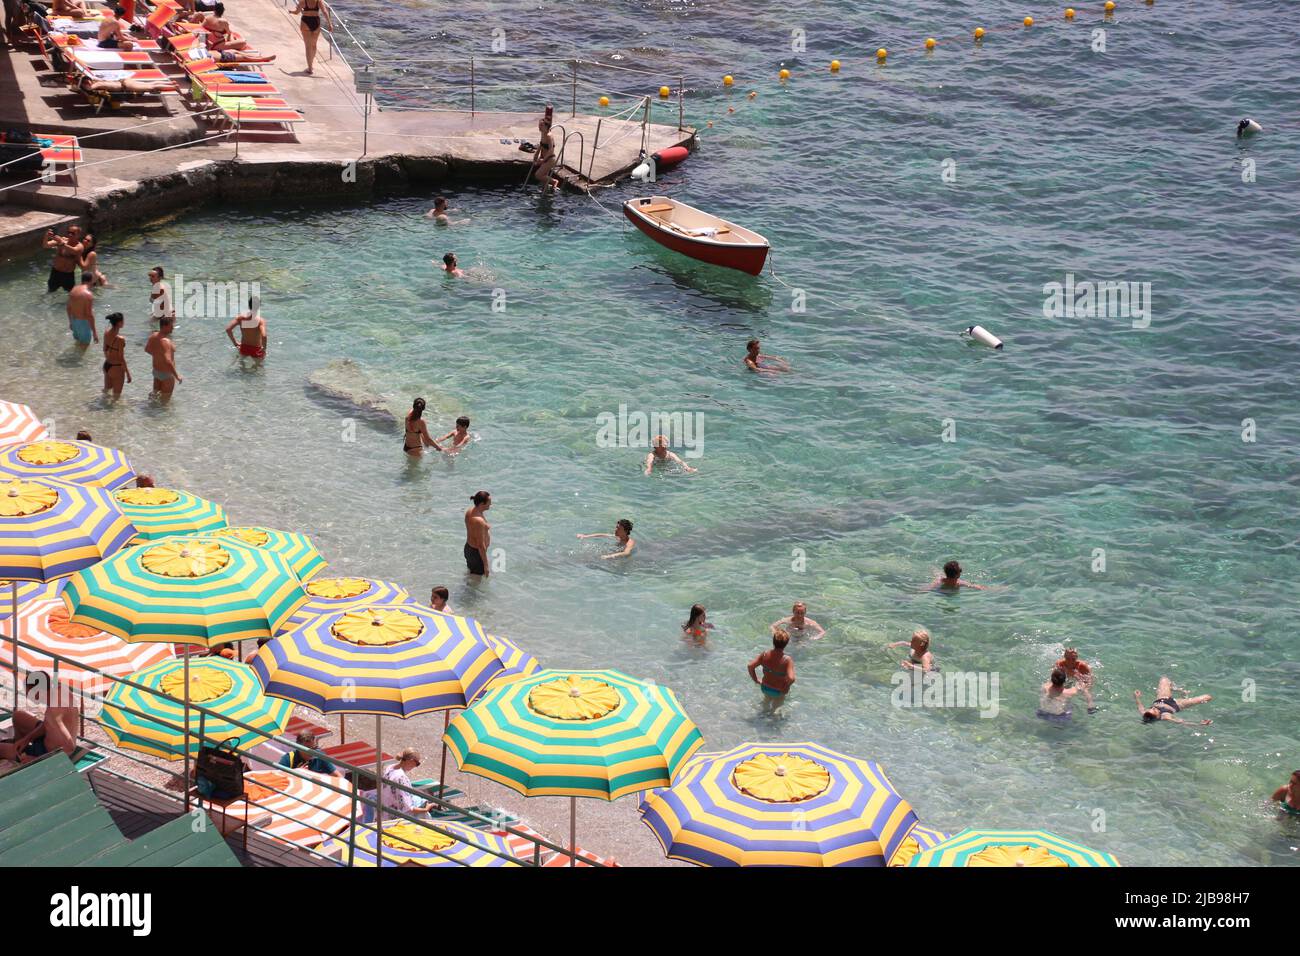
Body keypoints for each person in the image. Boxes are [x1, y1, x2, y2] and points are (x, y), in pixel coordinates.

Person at [748, 628, 795, 711]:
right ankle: (772, 720)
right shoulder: (787, 660)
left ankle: (763, 716)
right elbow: (791, 678)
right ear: (786, 644)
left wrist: (755, 680)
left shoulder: (765, 654)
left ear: (773, 641)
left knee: (766, 702)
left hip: (765, 687)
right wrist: (786, 687)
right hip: (778, 691)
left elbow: (750, 666)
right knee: (776, 708)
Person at [1136, 677, 1212, 727]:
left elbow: (1141, 708)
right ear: (1158, 716)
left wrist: (1137, 697)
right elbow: (1181, 722)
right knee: (1207, 697)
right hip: (1177, 704)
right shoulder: (1165, 717)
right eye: (1155, 710)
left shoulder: (1146, 713)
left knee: (1164, 679)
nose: (1153, 707)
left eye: (1151, 708)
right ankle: (1184, 694)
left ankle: (1175, 689)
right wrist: (1199, 724)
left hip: (1162, 697)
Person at [379, 748, 429, 816]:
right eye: (417, 763)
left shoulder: (390, 767)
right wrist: (426, 809)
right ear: (411, 761)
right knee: (426, 814)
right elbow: (408, 809)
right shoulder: (401, 778)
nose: (416, 766)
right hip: (392, 815)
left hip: (383, 808)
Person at [144, 315, 182, 402]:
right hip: (167, 375)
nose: (173, 328)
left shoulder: (153, 336)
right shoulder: (166, 341)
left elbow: (147, 349)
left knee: (155, 395)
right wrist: (177, 376)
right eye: (171, 326)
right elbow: (168, 361)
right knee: (165, 402)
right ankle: (161, 415)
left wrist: (158, 356)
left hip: (156, 372)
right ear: (164, 326)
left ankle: (151, 409)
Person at [290, 0, 331, 75]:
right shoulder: (319, 1)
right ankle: (311, 64)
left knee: (308, 47)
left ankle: (310, 68)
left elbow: (297, 12)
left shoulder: (303, 1)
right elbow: (325, 12)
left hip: (305, 21)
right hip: (316, 22)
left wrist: (291, 12)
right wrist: (329, 24)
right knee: (314, 45)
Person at [277, 731, 342, 777]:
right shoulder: (288, 759)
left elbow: (338, 776)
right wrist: (297, 772)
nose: (311, 751)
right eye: (307, 748)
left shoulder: (319, 756)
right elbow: (278, 777)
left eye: (313, 747)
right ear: (298, 747)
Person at [43, 225, 84, 293]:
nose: (70, 235)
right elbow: (45, 245)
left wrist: (61, 243)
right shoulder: (62, 240)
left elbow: (75, 251)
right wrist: (46, 236)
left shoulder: (79, 246)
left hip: (68, 275)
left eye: (73, 233)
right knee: (50, 292)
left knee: (70, 295)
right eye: (69, 232)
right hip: (55, 273)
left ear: (78, 235)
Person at [101, 312, 131, 399]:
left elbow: (104, 349)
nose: (124, 322)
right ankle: (114, 413)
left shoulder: (106, 333)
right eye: (123, 320)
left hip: (107, 365)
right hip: (116, 368)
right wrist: (128, 373)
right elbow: (121, 358)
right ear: (119, 323)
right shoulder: (120, 339)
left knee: (106, 393)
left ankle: (101, 409)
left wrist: (109, 359)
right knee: (116, 397)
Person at [531, 107, 560, 193]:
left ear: (546, 126)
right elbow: (541, 145)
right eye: (539, 125)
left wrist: (543, 160)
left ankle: (554, 181)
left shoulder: (549, 136)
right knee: (543, 178)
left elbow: (551, 150)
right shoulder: (543, 133)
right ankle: (547, 190)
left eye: (541, 125)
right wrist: (536, 155)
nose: (539, 127)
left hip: (550, 159)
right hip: (544, 158)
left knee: (538, 175)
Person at [66, 272, 98, 349]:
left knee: (78, 343)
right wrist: (94, 333)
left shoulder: (73, 290)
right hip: (83, 324)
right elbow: (89, 315)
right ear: (91, 281)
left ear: (82, 280)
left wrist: (71, 322)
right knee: (84, 347)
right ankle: (76, 360)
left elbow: (68, 308)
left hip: (74, 321)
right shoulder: (88, 295)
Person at [464, 491, 491, 576]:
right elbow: (480, 545)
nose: (491, 504)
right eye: (489, 502)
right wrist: (486, 566)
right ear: (482, 503)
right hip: (476, 553)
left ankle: (466, 587)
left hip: (469, 549)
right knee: (477, 582)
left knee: (472, 576)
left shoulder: (470, 511)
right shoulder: (479, 521)